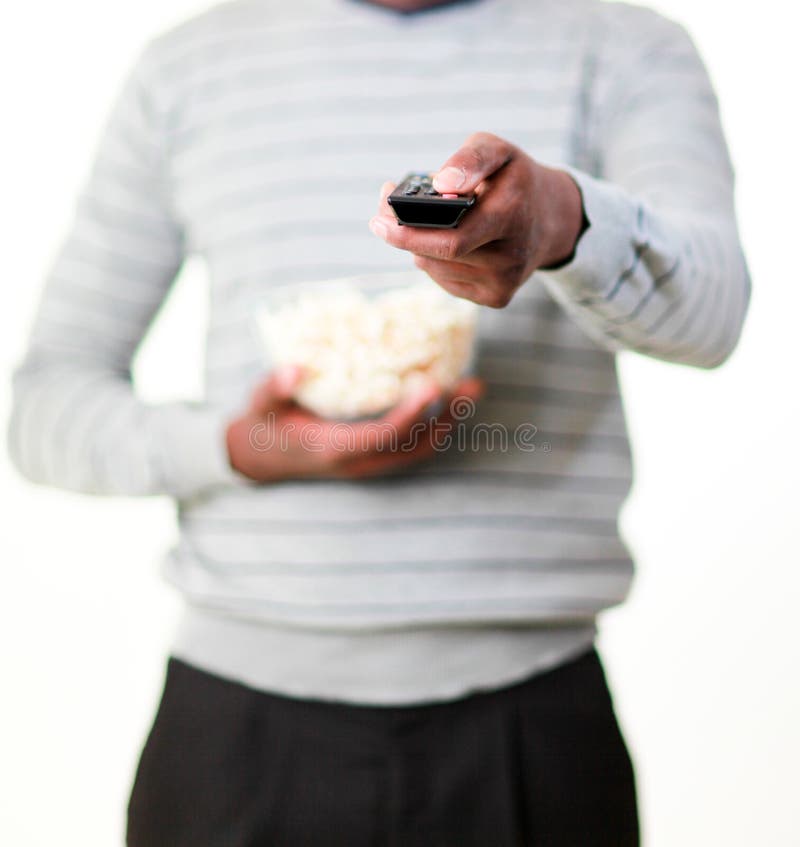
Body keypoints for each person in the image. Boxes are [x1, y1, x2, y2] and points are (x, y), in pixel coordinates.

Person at [7, 0, 750, 843]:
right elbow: (45, 408)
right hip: (236, 731)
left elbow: (715, 313)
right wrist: (245, 449)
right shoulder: (185, 68)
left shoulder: (625, 47)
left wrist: (560, 220)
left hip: (532, 726)